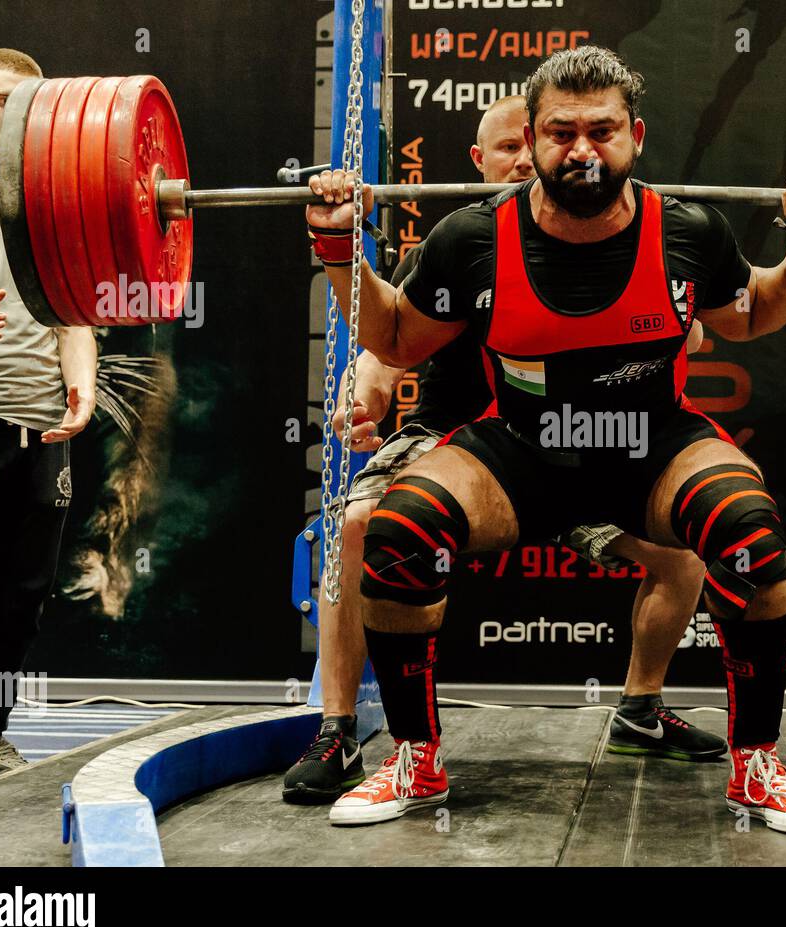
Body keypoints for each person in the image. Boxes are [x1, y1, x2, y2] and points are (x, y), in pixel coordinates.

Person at [306, 47, 786, 836]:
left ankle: (757, 762)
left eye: (602, 131)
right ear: (532, 135)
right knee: (398, 530)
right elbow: (393, 335)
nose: (582, 150)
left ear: (636, 137)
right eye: (561, 132)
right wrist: (338, 247)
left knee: (751, 538)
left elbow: (752, 314)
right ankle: (415, 759)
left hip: (650, 447)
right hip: (525, 453)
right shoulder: (472, 237)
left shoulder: (688, 230)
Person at [283, 95, 721, 807]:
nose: (524, 161)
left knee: (683, 553)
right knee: (359, 525)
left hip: (571, 441)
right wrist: (356, 394)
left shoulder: (615, 238)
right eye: (507, 150)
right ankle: (337, 727)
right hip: (455, 440)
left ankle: (639, 711)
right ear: (479, 161)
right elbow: (387, 345)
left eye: (532, 147)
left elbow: (695, 332)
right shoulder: (452, 245)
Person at [0, 49, 98, 784]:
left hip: (37, 424)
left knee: (21, 599)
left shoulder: (51, 205)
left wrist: (83, 389)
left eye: (31, 102)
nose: (19, 115)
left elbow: (74, 313)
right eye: (4, 100)